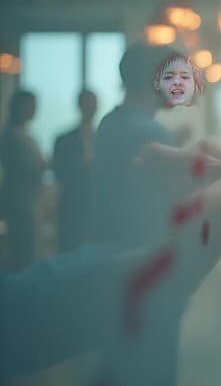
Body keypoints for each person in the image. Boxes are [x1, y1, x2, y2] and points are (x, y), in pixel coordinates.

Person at [92, 44, 179, 248]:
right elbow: (159, 208)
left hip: (112, 246)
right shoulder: (150, 132)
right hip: (141, 252)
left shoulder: (110, 121)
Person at [0, 91, 46, 272]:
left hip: (29, 199)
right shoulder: (10, 135)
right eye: (31, 106)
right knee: (23, 250)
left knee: (29, 247)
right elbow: (26, 167)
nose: (35, 110)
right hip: (19, 201)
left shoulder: (24, 133)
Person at [53, 90, 98, 253]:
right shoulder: (64, 139)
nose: (91, 108)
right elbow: (59, 171)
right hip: (71, 204)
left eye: (93, 103)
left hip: (95, 206)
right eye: (87, 103)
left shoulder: (103, 137)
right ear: (79, 106)